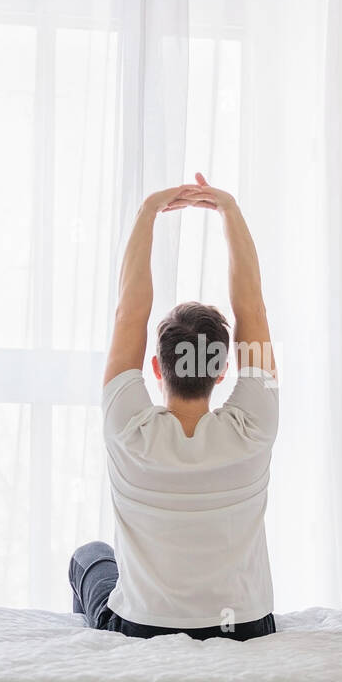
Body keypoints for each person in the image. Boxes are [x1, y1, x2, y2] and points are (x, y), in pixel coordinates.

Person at [68, 172, 278, 641]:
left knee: (91, 556)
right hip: (246, 627)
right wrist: (230, 211)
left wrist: (147, 213)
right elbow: (254, 310)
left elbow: (129, 313)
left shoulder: (127, 428)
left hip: (143, 627)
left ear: (156, 369)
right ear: (223, 369)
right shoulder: (254, 427)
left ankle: (92, 659)